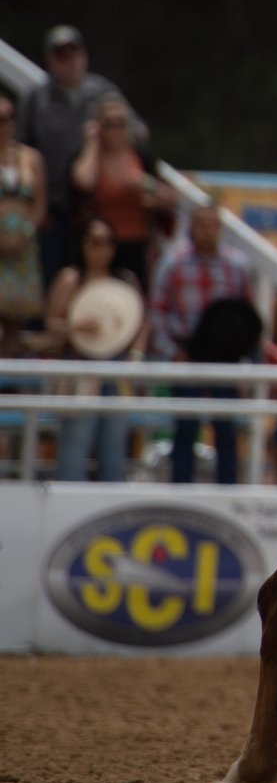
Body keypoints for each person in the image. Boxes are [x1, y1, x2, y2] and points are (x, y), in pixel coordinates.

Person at [17, 27, 145, 285]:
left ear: (83, 54)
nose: (68, 60)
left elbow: (140, 132)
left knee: (96, 277)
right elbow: (23, 152)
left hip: (95, 209)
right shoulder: (36, 99)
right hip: (52, 206)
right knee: (50, 275)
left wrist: (107, 133)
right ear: (50, 59)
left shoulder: (103, 93)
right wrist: (33, 204)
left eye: (73, 51)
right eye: (59, 54)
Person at [150, 203, 259, 484]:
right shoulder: (173, 263)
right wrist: (173, 353)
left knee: (226, 430)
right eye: (202, 224)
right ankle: (181, 492)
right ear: (192, 228)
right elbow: (158, 312)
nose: (208, 231)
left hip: (226, 358)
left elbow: (249, 317)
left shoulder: (237, 265)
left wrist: (247, 360)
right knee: (185, 429)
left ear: (220, 229)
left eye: (213, 224)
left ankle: (228, 494)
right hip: (187, 354)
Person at [45, 217, 143, 481]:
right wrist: (75, 327)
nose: (102, 249)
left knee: (115, 442)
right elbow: (51, 324)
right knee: (77, 439)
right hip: (80, 363)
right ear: (84, 244)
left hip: (117, 364)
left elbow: (140, 322)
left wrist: (136, 357)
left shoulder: (126, 280)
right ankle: (69, 501)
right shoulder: (71, 278)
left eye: (109, 243)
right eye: (95, 242)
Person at [70, 95, 163, 281]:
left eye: (121, 123)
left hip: (136, 242)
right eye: (109, 124)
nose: (116, 130)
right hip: (99, 244)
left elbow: (168, 196)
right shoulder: (89, 155)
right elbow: (83, 182)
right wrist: (92, 141)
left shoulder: (142, 157)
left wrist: (145, 183)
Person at [0, 92, 46, 354]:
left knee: (15, 325)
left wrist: (25, 233)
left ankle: (9, 389)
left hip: (23, 248)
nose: (4, 124)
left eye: (9, 117)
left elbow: (40, 205)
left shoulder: (31, 159)